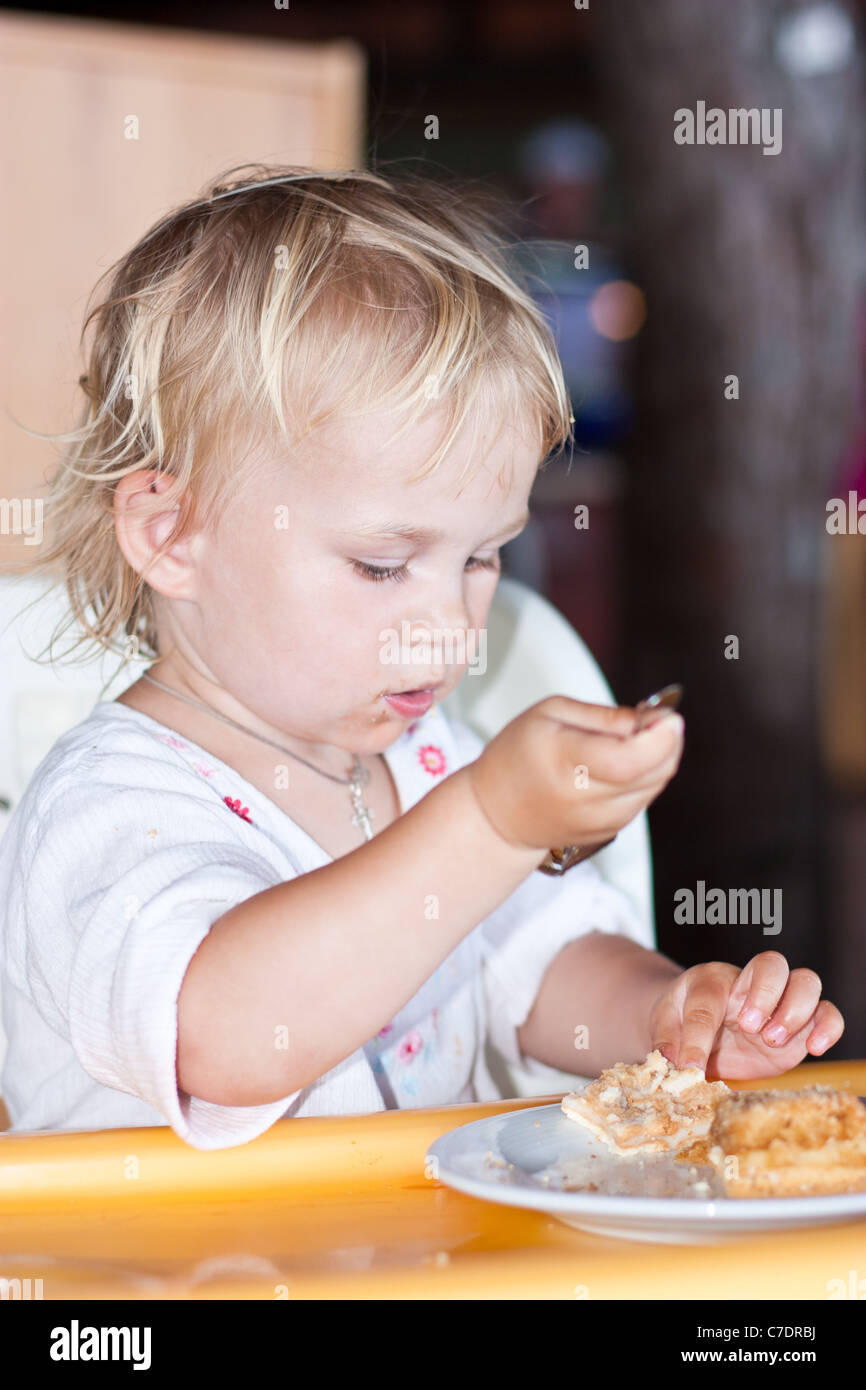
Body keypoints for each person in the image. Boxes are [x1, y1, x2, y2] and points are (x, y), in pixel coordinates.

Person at [0, 166, 842, 1149]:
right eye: (382, 564)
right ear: (172, 533)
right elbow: (228, 1033)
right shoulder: (105, 808)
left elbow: (533, 965)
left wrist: (667, 1016)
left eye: (482, 556)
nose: (452, 625)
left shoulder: (425, 757)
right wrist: (489, 821)